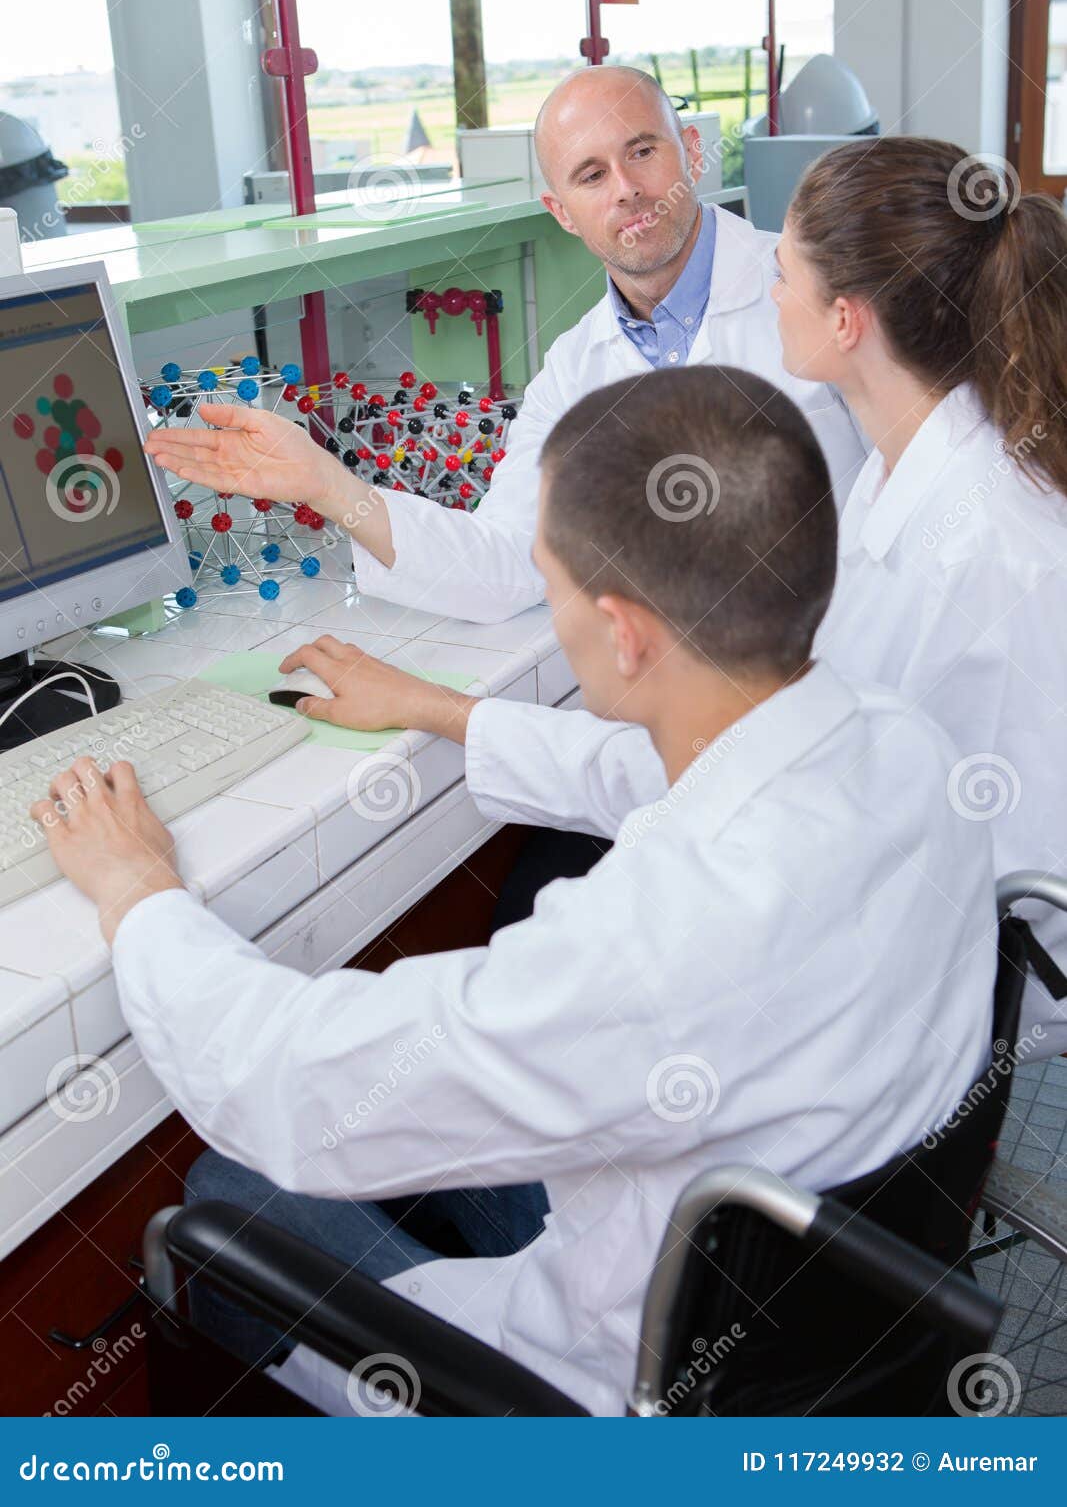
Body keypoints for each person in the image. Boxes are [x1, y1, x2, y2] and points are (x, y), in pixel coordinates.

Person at [32, 369, 995, 1418]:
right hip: (810, 1294)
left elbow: (278, 1082)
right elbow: (665, 769)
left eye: (551, 575)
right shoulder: (899, 744)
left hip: (601, 1384)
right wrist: (438, 708)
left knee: (226, 1200)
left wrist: (139, 891)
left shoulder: (647, 945)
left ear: (622, 632)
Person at [343, 138, 1067, 1053]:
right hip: (922, 946)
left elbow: (745, 782)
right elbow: (761, 766)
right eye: (592, 172)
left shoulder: (976, 547)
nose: (767, 287)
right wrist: (444, 711)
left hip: (945, 993)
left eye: (785, 275)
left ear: (845, 321)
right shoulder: (922, 479)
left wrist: (447, 715)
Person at [143, 66, 867, 625]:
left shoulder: (821, 290)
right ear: (561, 213)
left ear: (693, 152)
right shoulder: (576, 371)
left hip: (863, 688)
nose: (625, 189)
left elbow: (929, 508)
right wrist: (328, 486)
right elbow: (508, 563)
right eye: (589, 175)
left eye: (642, 151)